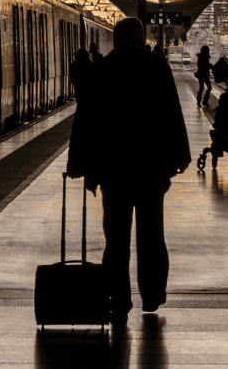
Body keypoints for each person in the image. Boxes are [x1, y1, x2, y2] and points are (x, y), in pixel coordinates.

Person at [67, 17, 191, 318]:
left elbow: (85, 122)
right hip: (151, 168)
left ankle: (119, 300)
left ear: (116, 40)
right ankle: (152, 295)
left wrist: (78, 163)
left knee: (116, 240)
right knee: (152, 236)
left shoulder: (99, 71)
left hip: (113, 169)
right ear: (138, 38)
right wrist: (179, 157)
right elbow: (172, 113)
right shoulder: (157, 67)